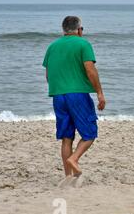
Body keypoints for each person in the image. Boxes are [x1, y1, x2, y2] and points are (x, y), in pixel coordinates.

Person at [43, 16, 106, 178]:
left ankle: (68, 177)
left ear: (64, 30)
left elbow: (48, 74)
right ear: (79, 30)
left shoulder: (52, 46)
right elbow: (90, 70)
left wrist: (58, 88)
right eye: (82, 29)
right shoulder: (83, 44)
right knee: (89, 133)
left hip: (58, 95)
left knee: (66, 137)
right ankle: (74, 158)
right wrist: (99, 92)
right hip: (77, 94)